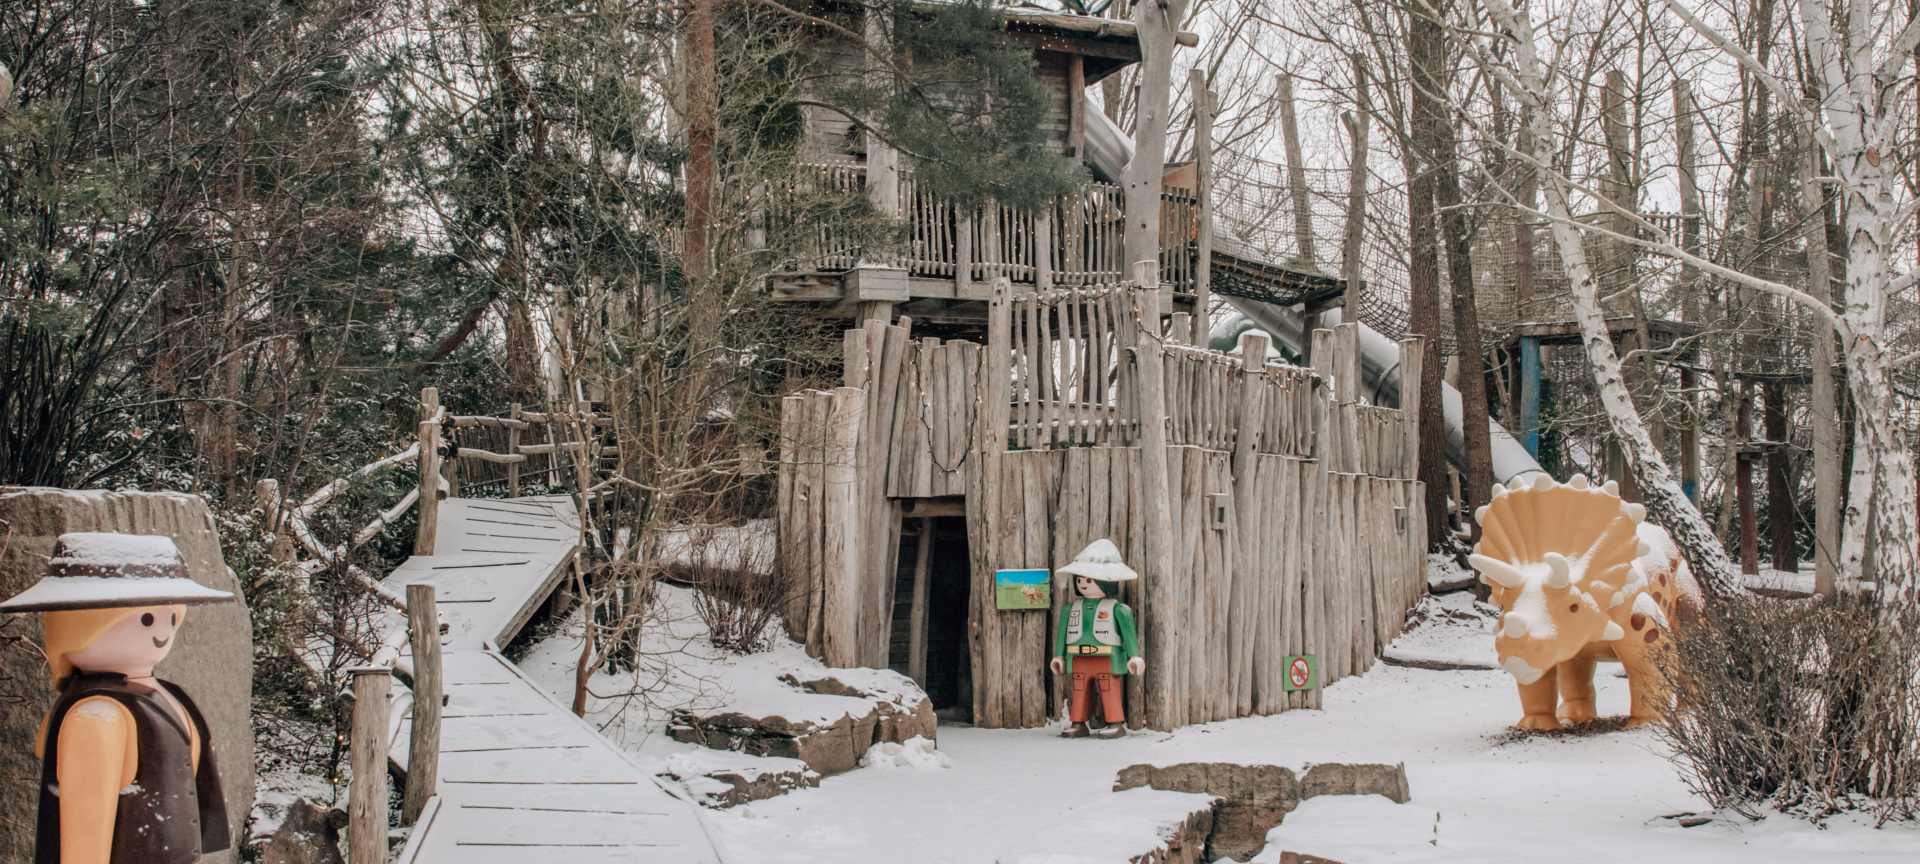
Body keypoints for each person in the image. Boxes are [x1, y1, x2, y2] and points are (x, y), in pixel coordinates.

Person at [1, 533, 236, 864]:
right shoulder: (97, 714)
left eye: (171, 617)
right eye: (146, 618)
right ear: (83, 623)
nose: (163, 631)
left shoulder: (164, 694)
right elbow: (86, 824)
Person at [1049, 539, 1143, 739]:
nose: (1083, 583)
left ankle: (1116, 723)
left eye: (1089, 580)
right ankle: (1078, 723)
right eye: (1080, 579)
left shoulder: (1118, 609)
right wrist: (1059, 656)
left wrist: (1134, 656)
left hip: (1106, 659)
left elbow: (1128, 632)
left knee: (1109, 689)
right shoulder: (1070, 610)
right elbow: (1062, 634)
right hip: (1079, 659)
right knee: (1079, 690)